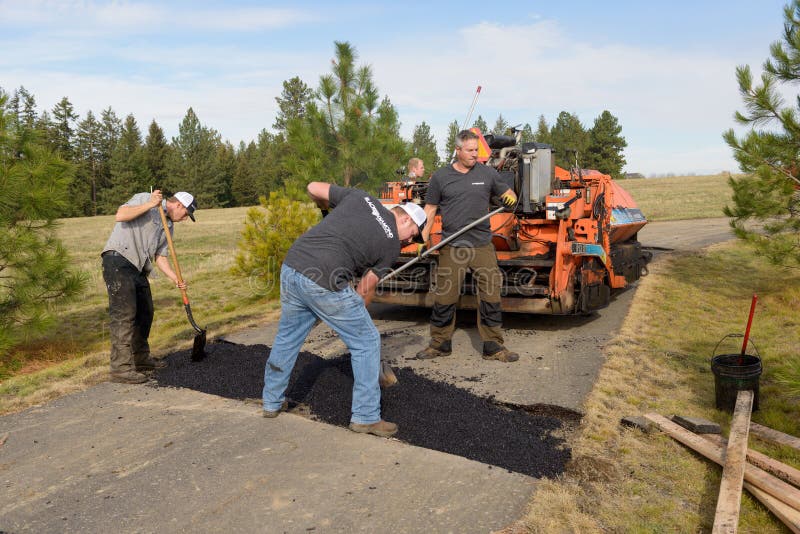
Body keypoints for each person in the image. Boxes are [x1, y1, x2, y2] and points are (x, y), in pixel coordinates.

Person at [262, 182, 426, 438]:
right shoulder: (392, 243)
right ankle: (366, 417)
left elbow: (312, 187)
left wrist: (325, 208)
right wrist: (354, 317)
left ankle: (271, 402)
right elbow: (365, 288)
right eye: (414, 235)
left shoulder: (361, 197)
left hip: (293, 266)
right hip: (325, 279)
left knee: (288, 337)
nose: (410, 241)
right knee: (367, 340)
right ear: (406, 221)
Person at [416, 130, 519, 363]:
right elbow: (430, 211)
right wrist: (421, 241)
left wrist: (509, 197)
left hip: (482, 244)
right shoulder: (441, 177)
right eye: (471, 150)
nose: (475, 155)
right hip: (452, 245)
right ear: (458, 150)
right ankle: (440, 343)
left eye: (477, 150)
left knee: (490, 295)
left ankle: (493, 346)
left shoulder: (487, 172)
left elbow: (508, 192)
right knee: (445, 295)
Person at [101, 190, 197, 384]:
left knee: (146, 312)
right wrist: (150, 205)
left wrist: (175, 278)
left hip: (138, 267)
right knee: (124, 315)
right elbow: (120, 215)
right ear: (178, 205)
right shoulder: (147, 198)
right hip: (118, 260)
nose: (185, 219)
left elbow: (160, 257)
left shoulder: (168, 226)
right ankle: (121, 369)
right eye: (186, 214)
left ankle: (141, 359)